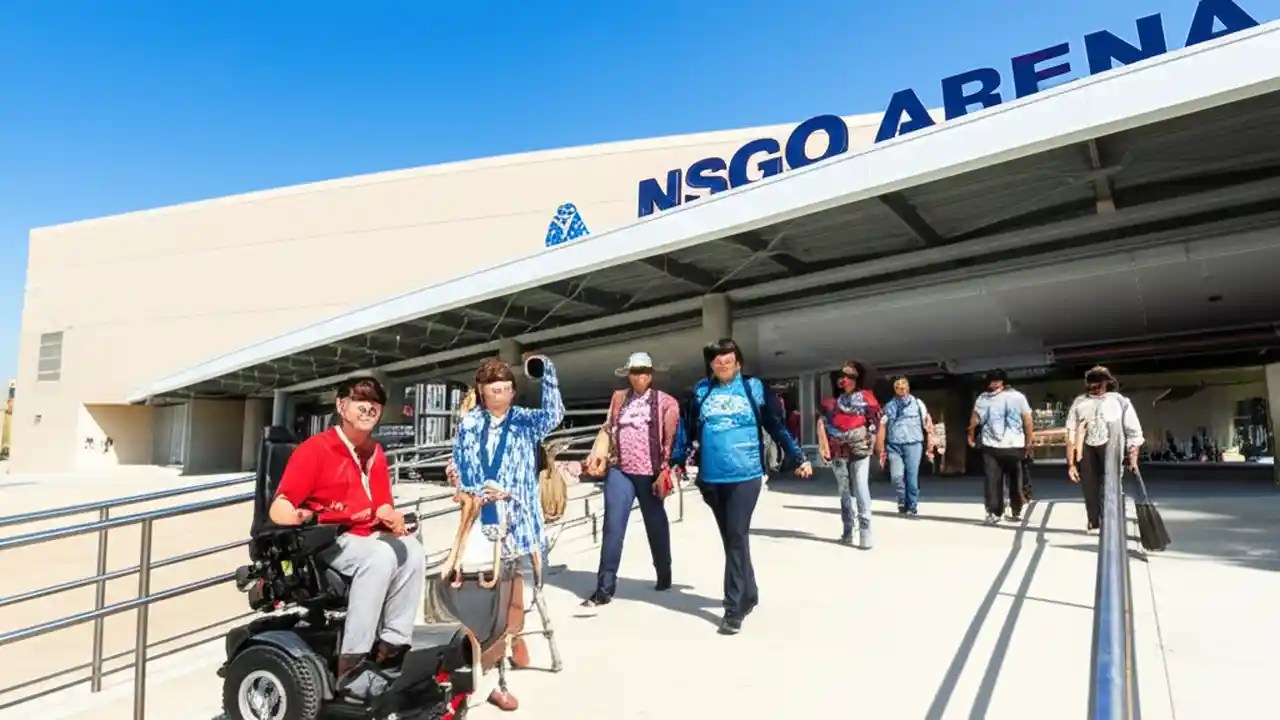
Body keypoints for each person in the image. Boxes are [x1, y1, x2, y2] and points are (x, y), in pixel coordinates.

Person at [269, 376, 421, 697]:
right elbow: (281, 505)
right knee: (379, 558)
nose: (369, 408)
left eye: (376, 404)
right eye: (360, 401)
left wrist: (390, 516)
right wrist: (294, 515)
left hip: (367, 534)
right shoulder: (316, 450)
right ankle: (352, 661)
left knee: (411, 550)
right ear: (342, 406)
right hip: (329, 539)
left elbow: (381, 502)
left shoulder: (375, 452)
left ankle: (392, 645)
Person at [670, 338, 813, 635]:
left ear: (738, 362)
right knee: (733, 540)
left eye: (728, 359)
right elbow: (686, 428)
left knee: (735, 536)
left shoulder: (753, 388)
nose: (722, 364)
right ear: (710, 364)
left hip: (745, 475)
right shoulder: (701, 391)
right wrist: (678, 459)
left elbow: (775, 425)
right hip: (711, 478)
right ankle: (750, 591)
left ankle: (733, 608)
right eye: (716, 360)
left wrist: (798, 456)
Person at [451, 354, 565, 711]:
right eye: (492, 390)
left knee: (518, 578)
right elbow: (463, 461)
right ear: (481, 392)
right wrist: (473, 487)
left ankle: (515, 635)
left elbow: (554, 415)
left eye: (505, 389)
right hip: (483, 511)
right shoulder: (470, 422)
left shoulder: (525, 421)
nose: (499, 395)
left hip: (519, 511)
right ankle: (486, 649)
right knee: (481, 582)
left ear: (513, 392)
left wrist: (547, 372)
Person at [581, 351, 680, 607]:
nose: (640, 376)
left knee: (656, 525)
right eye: (635, 372)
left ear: (651, 374)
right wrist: (598, 454)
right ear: (629, 374)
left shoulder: (666, 402)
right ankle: (604, 588)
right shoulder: (618, 398)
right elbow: (608, 427)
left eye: (644, 371)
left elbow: (672, 439)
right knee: (613, 526)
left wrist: (666, 469)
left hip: (650, 473)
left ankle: (664, 572)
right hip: (620, 470)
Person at [1065, 366, 1144, 534]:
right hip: (1086, 448)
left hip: (1112, 447)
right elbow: (1071, 432)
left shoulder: (1119, 401)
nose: (1095, 387)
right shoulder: (1079, 402)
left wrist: (1133, 456)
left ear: (1106, 383)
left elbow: (1134, 431)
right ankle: (1094, 521)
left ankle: (1113, 521)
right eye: (1091, 382)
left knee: (1112, 486)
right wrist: (1071, 463)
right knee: (1090, 487)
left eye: (1099, 382)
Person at [816, 360, 881, 548]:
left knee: (861, 488)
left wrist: (875, 444)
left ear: (858, 379)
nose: (845, 380)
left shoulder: (868, 399)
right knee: (843, 491)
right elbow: (825, 425)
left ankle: (865, 533)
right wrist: (825, 445)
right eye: (842, 376)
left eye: (850, 376)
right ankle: (847, 531)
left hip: (860, 449)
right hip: (838, 450)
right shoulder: (833, 404)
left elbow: (876, 422)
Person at [969, 369, 1035, 524]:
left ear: (1002, 382)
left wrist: (1029, 441)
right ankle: (996, 510)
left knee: (1011, 479)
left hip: (1014, 444)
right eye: (992, 381)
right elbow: (975, 418)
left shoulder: (1017, 397)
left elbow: (1027, 419)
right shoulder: (984, 398)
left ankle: (1011, 509)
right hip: (992, 445)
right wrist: (970, 436)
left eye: (996, 381)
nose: (994, 384)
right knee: (994, 480)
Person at [875, 376, 934, 517]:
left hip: (914, 444)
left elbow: (928, 423)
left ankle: (912, 505)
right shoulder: (889, 406)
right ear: (895, 389)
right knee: (897, 476)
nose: (902, 389)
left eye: (904, 387)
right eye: (898, 387)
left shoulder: (918, 404)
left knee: (911, 477)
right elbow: (882, 426)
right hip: (894, 445)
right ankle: (902, 499)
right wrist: (880, 447)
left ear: (908, 388)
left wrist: (931, 441)